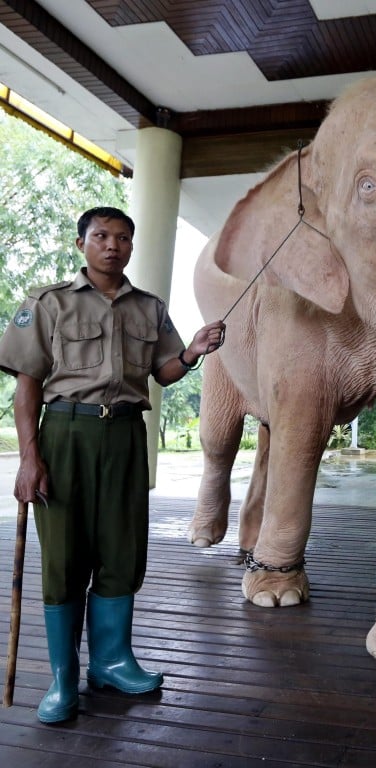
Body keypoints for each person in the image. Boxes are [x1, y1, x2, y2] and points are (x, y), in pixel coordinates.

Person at [0, 206, 225, 724]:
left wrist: (192, 351)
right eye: (101, 236)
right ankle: (63, 679)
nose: (113, 246)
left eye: (123, 238)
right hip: (65, 434)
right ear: (81, 244)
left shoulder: (149, 308)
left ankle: (112, 662)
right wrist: (29, 458)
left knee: (123, 549)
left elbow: (164, 373)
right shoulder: (48, 303)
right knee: (63, 557)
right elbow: (28, 384)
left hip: (125, 433)